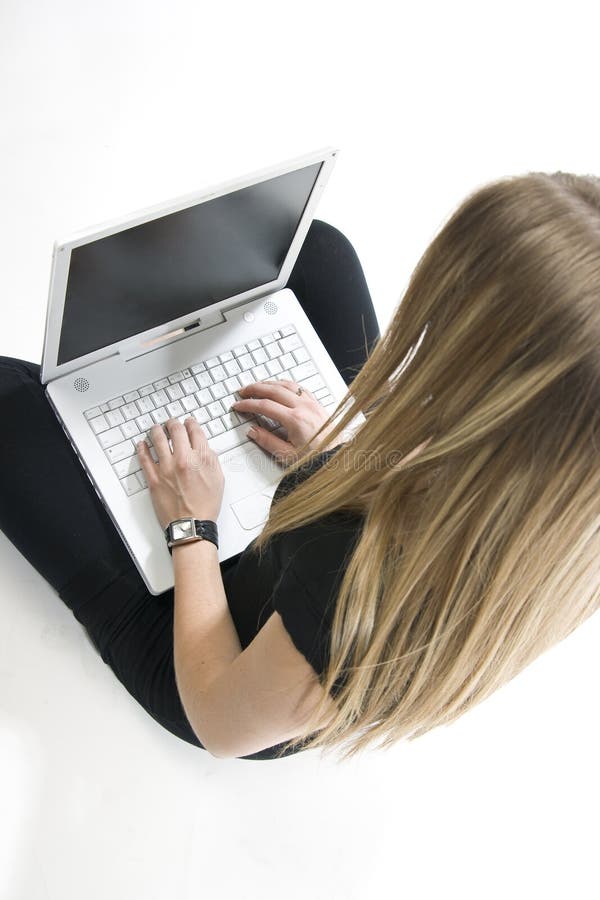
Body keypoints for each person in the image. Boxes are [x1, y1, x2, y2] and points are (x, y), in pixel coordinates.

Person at [2, 169, 600, 763]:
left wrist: (192, 527)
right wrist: (341, 457)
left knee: (8, 399)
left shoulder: (360, 576)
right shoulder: (564, 484)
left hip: (220, 655)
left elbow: (221, 722)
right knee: (315, 252)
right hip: (338, 550)